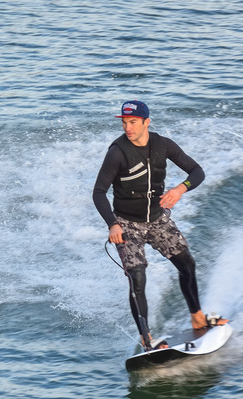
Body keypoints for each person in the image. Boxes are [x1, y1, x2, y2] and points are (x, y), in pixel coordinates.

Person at [92, 100, 226, 351]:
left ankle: (198, 317)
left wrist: (180, 189)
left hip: (157, 219)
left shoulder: (163, 145)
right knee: (137, 276)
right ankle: (147, 339)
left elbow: (197, 171)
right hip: (126, 224)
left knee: (187, 263)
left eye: (133, 122)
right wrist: (112, 225)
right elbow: (99, 192)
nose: (128, 128)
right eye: (124, 122)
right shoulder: (117, 153)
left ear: (146, 122)